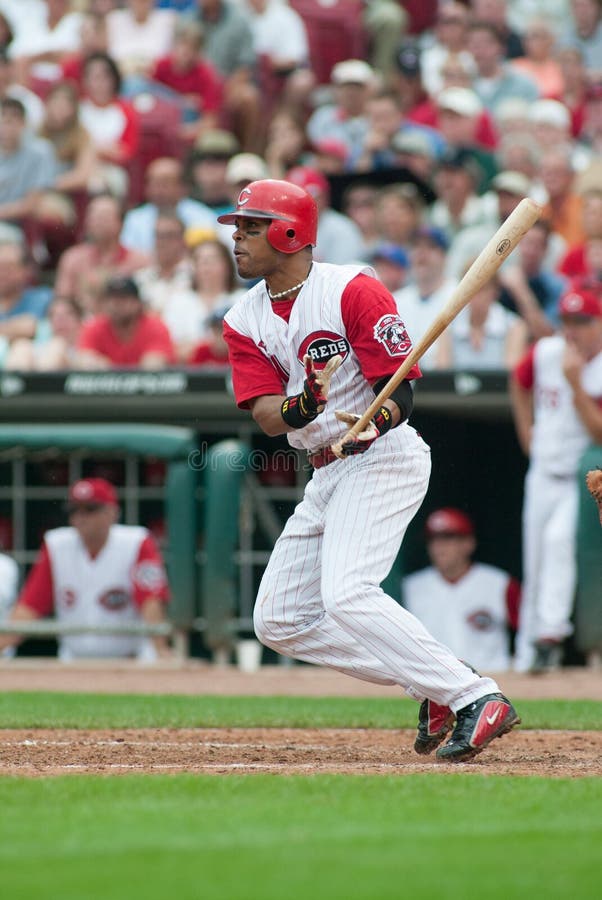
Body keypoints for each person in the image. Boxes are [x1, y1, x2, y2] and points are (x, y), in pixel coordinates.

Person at [218, 178, 520, 762]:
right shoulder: (243, 317)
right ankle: (436, 680)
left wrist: (376, 420)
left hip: (383, 457)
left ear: (288, 233)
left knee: (347, 593)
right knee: (277, 620)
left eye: (250, 228)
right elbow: (265, 417)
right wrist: (301, 405)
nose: (238, 240)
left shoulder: (352, 288)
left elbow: (400, 392)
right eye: (239, 228)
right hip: (324, 468)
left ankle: (475, 696)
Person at [510, 284, 602, 673]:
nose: (573, 330)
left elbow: (600, 435)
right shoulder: (547, 351)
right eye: (567, 320)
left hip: (578, 481)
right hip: (542, 472)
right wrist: (526, 430)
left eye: (582, 322)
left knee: (558, 542)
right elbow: (518, 379)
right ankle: (527, 656)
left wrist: (576, 385)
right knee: (534, 560)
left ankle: (550, 633)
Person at [0, 478, 171, 661]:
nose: (81, 517)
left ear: (112, 512)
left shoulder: (137, 542)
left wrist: (160, 649)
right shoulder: (56, 545)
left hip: (130, 658)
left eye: (90, 509)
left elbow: (151, 601)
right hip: (74, 660)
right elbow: (30, 607)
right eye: (75, 510)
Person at [402, 508, 521, 672]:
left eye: (448, 538)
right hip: (434, 678)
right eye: (433, 540)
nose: (439, 547)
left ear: (468, 543)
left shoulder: (500, 583)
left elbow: (528, 632)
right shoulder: (411, 587)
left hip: (491, 678)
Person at [54, 194, 149, 314]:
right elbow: (62, 300)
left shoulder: (139, 261)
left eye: (103, 218)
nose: (97, 223)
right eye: (93, 218)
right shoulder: (72, 258)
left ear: (120, 223)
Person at [75, 274, 176, 369]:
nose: (116, 304)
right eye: (111, 299)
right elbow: (84, 358)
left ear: (138, 303)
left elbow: (155, 363)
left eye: (123, 299)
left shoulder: (154, 327)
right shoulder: (95, 327)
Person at [120, 156, 217, 254]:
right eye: (154, 184)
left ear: (182, 187)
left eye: (164, 184)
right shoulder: (134, 219)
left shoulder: (203, 217)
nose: (158, 191)